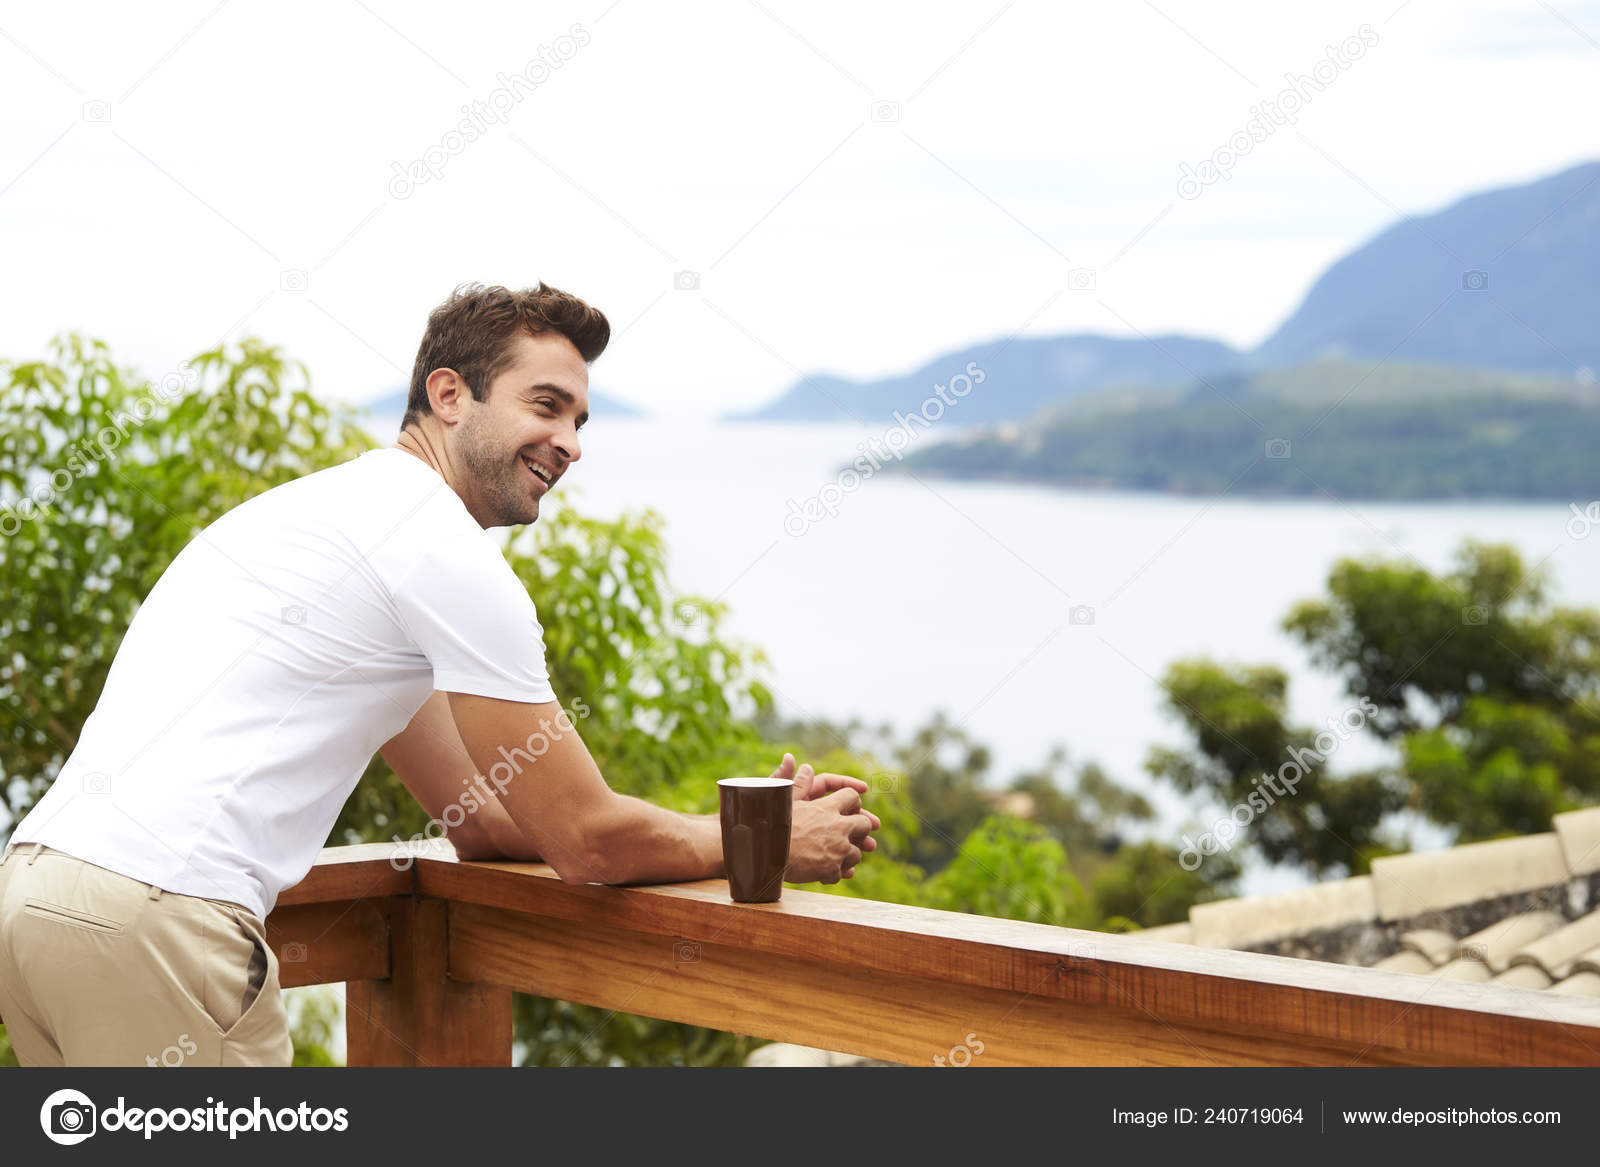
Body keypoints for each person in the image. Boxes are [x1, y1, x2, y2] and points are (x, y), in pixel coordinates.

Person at [0, 282, 879, 1067]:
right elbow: (585, 840)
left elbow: (484, 820)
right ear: (449, 395)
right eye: (546, 405)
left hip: (39, 901)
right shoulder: (443, 554)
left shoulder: (330, 517)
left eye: (580, 421)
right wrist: (763, 843)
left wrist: (747, 822)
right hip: (161, 920)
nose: (570, 443)